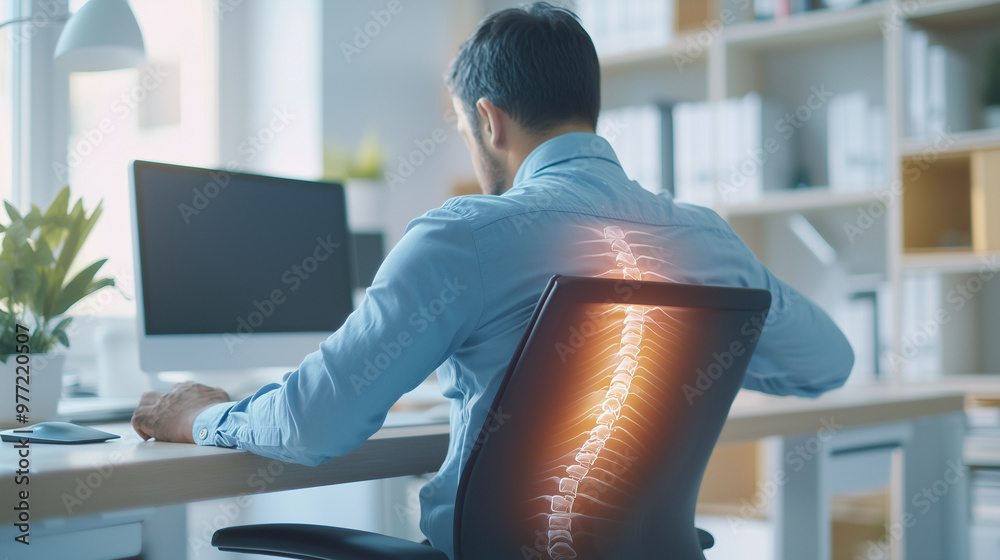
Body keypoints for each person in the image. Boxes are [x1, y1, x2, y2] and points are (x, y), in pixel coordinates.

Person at [131, 3, 853, 556]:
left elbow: (318, 421)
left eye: (462, 126)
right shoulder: (708, 239)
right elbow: (829, 362)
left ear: (489, 120)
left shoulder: (463, 237)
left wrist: (199, 417)